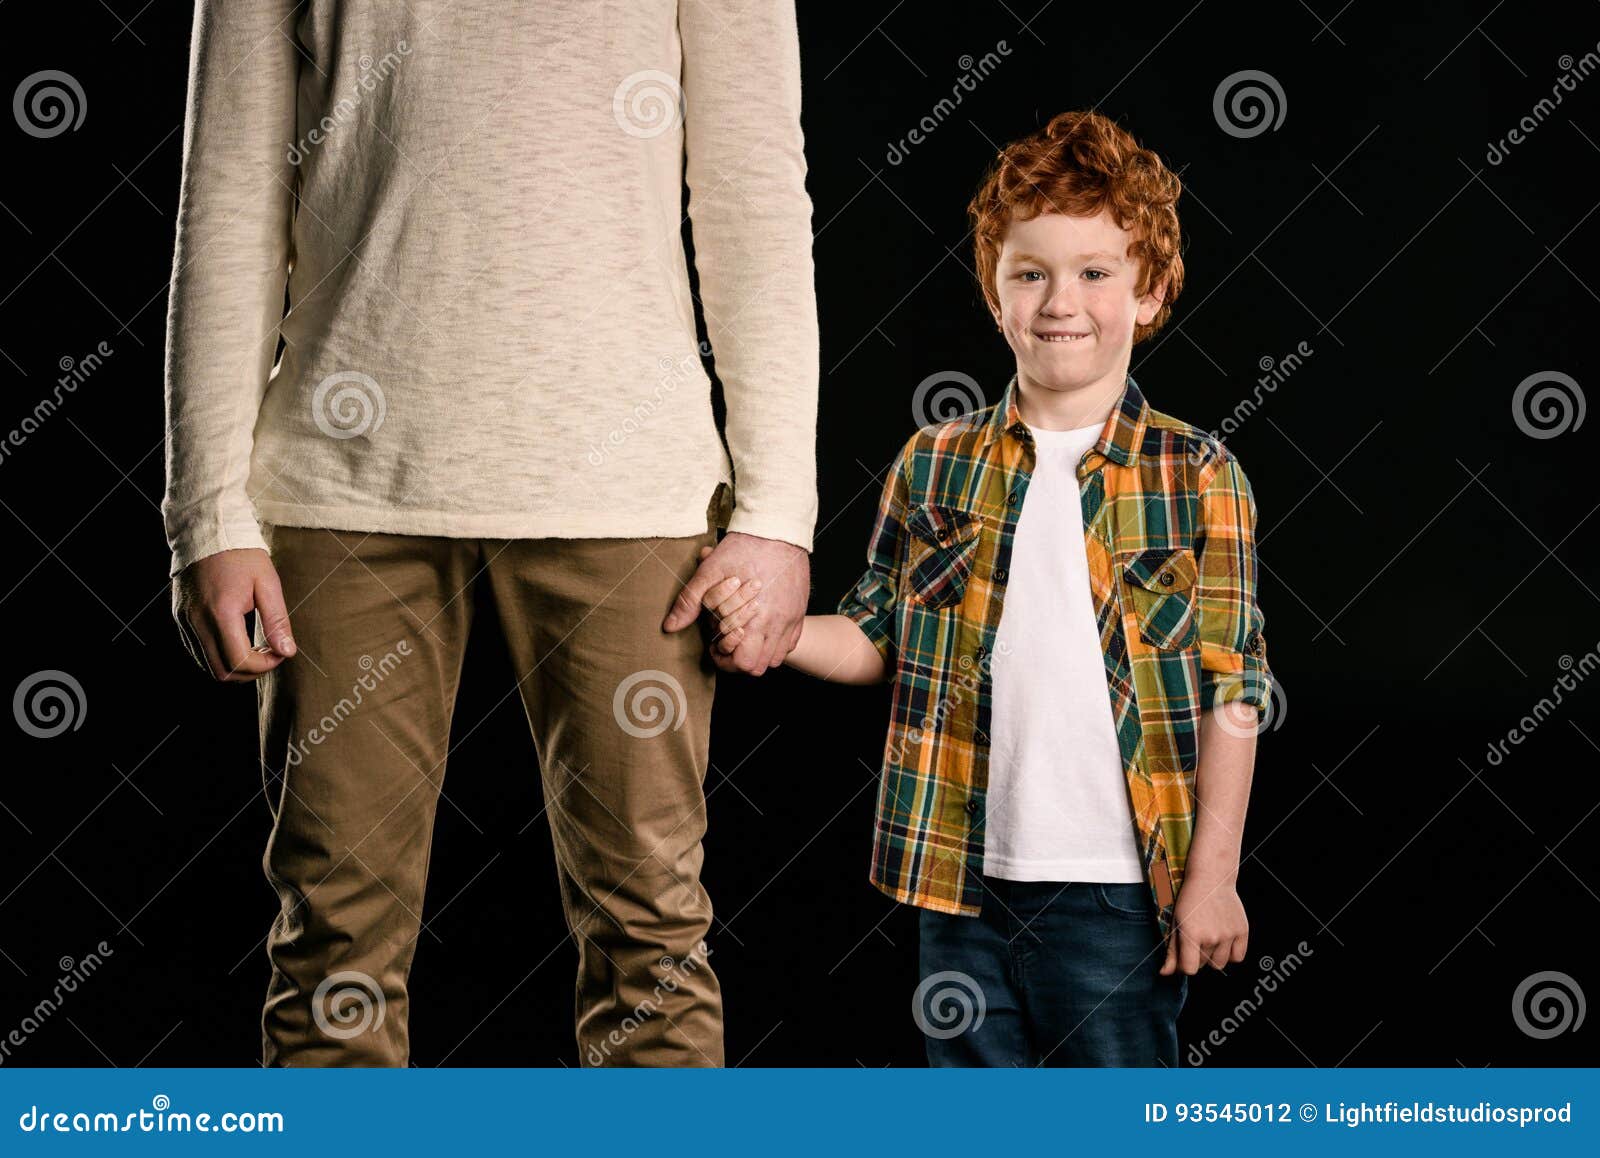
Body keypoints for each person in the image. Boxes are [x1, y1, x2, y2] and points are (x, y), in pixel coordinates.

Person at [163, 0, 818, 1067]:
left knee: (651, 941)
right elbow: (229, 193)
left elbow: (754, 196)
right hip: (340, 490)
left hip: (627, 493)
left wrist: (778, 514)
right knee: (331, 943)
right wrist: (207, 512)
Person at [698, 109, 1274, 1066]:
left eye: (1095, 274)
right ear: (994, 289)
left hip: (1121, 896)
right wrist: (784, 632)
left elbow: (1235, 691)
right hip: (959, 886)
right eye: (1030, 273)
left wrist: (1211, 876)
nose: (1061, 301)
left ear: (1150, 292)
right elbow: (879, 634)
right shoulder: (934, 461)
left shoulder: (1199, 476)